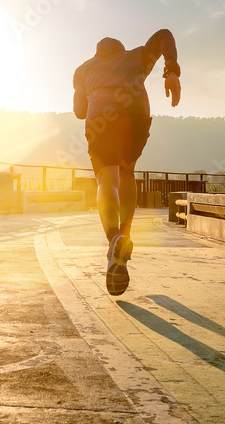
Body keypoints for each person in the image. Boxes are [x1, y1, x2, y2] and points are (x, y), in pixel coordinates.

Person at [72, 29, 181, 295]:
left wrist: (90, 91)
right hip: (135, 115)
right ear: (120, 50)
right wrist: (172, 72)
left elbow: (79, 112)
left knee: (106, 179)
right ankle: (126, 233)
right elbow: (164, 35)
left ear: (97, 53)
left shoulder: (83, 69)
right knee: (127, 173)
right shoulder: (137, 56)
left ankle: (114, 240)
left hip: (101, 118)